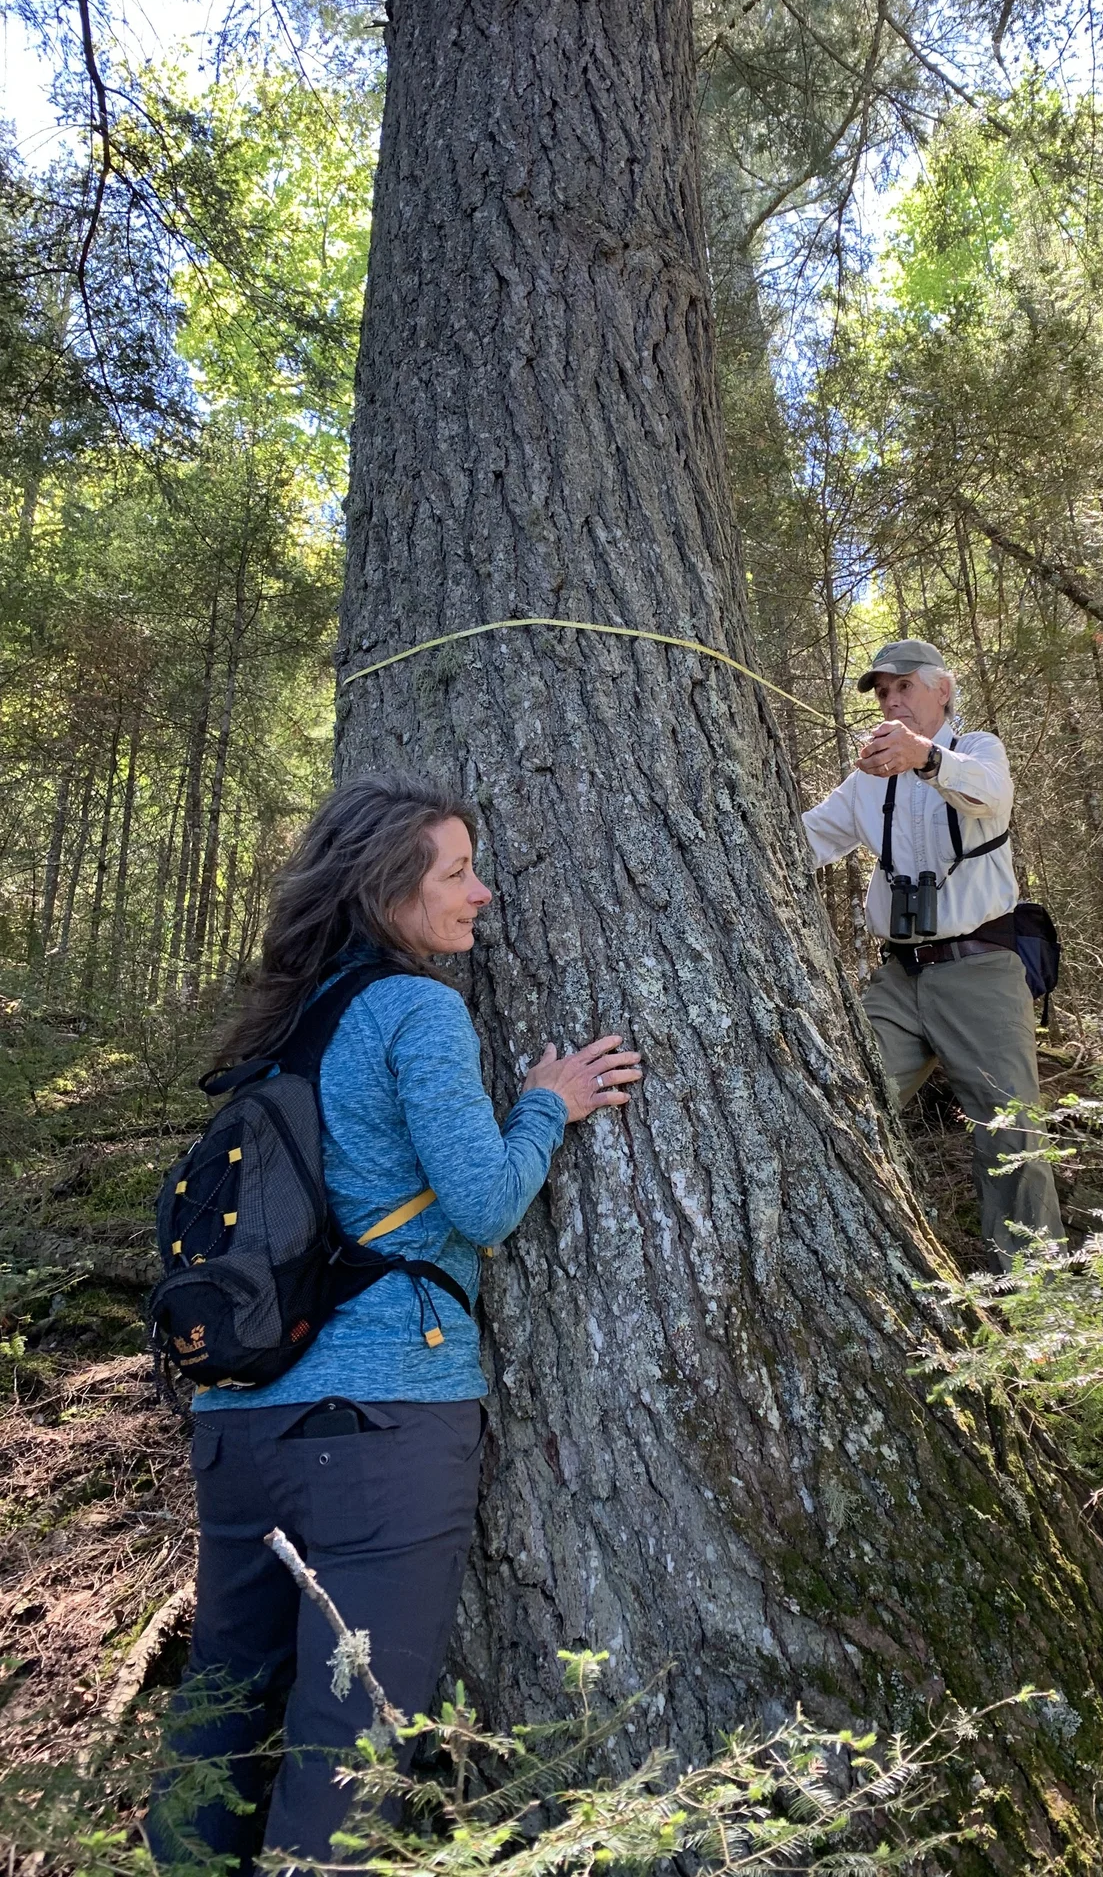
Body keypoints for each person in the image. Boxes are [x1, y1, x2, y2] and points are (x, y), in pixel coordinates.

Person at [147, 772, 641, 1872]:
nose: (484, 891)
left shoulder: (279, 1021)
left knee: (221, 1706)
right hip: (379, 1422)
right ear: (387, 888)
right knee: (351, 1741)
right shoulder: (417, 1007)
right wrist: (546, 1105)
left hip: (237, 1422)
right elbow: (483, 1201)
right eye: (458, 872)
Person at [802, 640, 1062, 1268]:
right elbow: (802, 841)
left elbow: (988, 797)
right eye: (883, 692)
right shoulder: (865, 781)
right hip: (899, 979)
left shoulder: (978, 751)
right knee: (841, 1099)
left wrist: (924, 759)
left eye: (904, 688)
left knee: (1011, 1132)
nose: (892, 702)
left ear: (941, 690)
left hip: (982, 971)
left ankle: (1042, 1303)